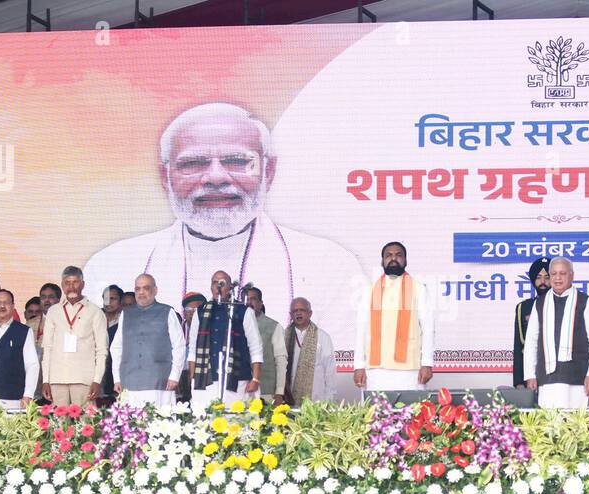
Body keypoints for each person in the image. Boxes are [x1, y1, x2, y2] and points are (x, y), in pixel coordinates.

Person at [82, 102, 367, 338]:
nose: (216, 178)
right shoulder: (111, 264)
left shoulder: (331, 266)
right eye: (193, 163)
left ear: (268, 171)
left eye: (236, 161)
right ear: (164, 177)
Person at [353, 242, 434, 392]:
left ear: (406, 260)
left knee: (412, 413)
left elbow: (428, 329)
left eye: (398, 255)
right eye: (388, 255)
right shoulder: (369, 291)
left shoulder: (419, 289)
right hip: (376, 371)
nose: (393, 258)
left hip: (410, 371)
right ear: (382, 261)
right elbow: (361, 330)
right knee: (376, 414)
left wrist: (427, 363)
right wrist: (358, 366)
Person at [523, 257, 589, 409]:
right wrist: (530, 374)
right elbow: (531, 341)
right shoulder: (539, 303)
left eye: (562, 273)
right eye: (553, 274)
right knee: (551, 427)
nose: (557, 278)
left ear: (571, 276)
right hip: (547, 379)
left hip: (578, 379)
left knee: (575, 428)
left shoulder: (585, 301)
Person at [186, 271, 263, 411]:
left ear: (230, 288)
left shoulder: (243, 311)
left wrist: (256, 379)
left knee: (235, 422)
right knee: (204, 423)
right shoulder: (200, 312)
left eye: (222, 283)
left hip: (237, 379)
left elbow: (255, 348)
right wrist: (193, 376)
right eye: (214, 283)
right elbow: (193, 347)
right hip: (205, 379)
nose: (217, 287)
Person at [110, 274, 186, 408]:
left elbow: (179, 345)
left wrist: (175, 375)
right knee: (131, 425)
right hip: (129, 380)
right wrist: (117, 378)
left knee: (158, 423)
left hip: (159, 380)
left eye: (146, 288)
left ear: (155, 290)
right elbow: (117, 347)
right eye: (137, 289)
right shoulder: (126, 314)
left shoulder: (167, 312)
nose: (141, 292)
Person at [40, 266, 107, 407]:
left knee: (86, 425)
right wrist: (46, 380)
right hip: (57, 378)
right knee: (58, 425)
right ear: (62, 285)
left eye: (75, 282)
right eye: (67, 283)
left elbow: (101, 350)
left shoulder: (95, 311)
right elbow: (47, 348)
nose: (71, 287)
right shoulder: (53, 311)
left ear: (83, 284)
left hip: (84, 379)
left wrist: (97, 380)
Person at [284, 296, 336, 406]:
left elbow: (330, 372)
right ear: (290, 315)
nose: (298, 313)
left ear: (310, 313)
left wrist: (329, 400)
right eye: (295, 311)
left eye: (302, 310)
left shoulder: (322, 337)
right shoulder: (283, 336)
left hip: (316, 400)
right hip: (289, 400)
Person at [513, 257, 551, 388]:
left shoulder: (564, 305)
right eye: (539, 277)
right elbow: (518, 347)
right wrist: (518, 382)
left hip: (556, 375)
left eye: (547, 277)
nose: (543, 282)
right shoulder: (523, 308)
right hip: (530, 374)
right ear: (533, 280)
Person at [245, 285, 287, 403]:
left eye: (253, 299)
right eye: (246, 299)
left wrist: (279, 392)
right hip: (241, 391)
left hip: (267, 392)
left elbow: (281, 362)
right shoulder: (235, 326)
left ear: (260, 303)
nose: (249, 302)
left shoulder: (273, 326)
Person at [176, 292, 207, 404]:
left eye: (196, 309)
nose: (193, 313)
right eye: (189, 309)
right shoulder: (178, 331)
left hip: (203, 377)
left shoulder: (210, 330)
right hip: (181, 380)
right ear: (184, 312)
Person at [100, 285, 124, 400]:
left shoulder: (125, 320)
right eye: (105, 298)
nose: (108, 302)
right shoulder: (96, 317)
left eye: (113, 299)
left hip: (116, 369)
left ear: (120, 301)